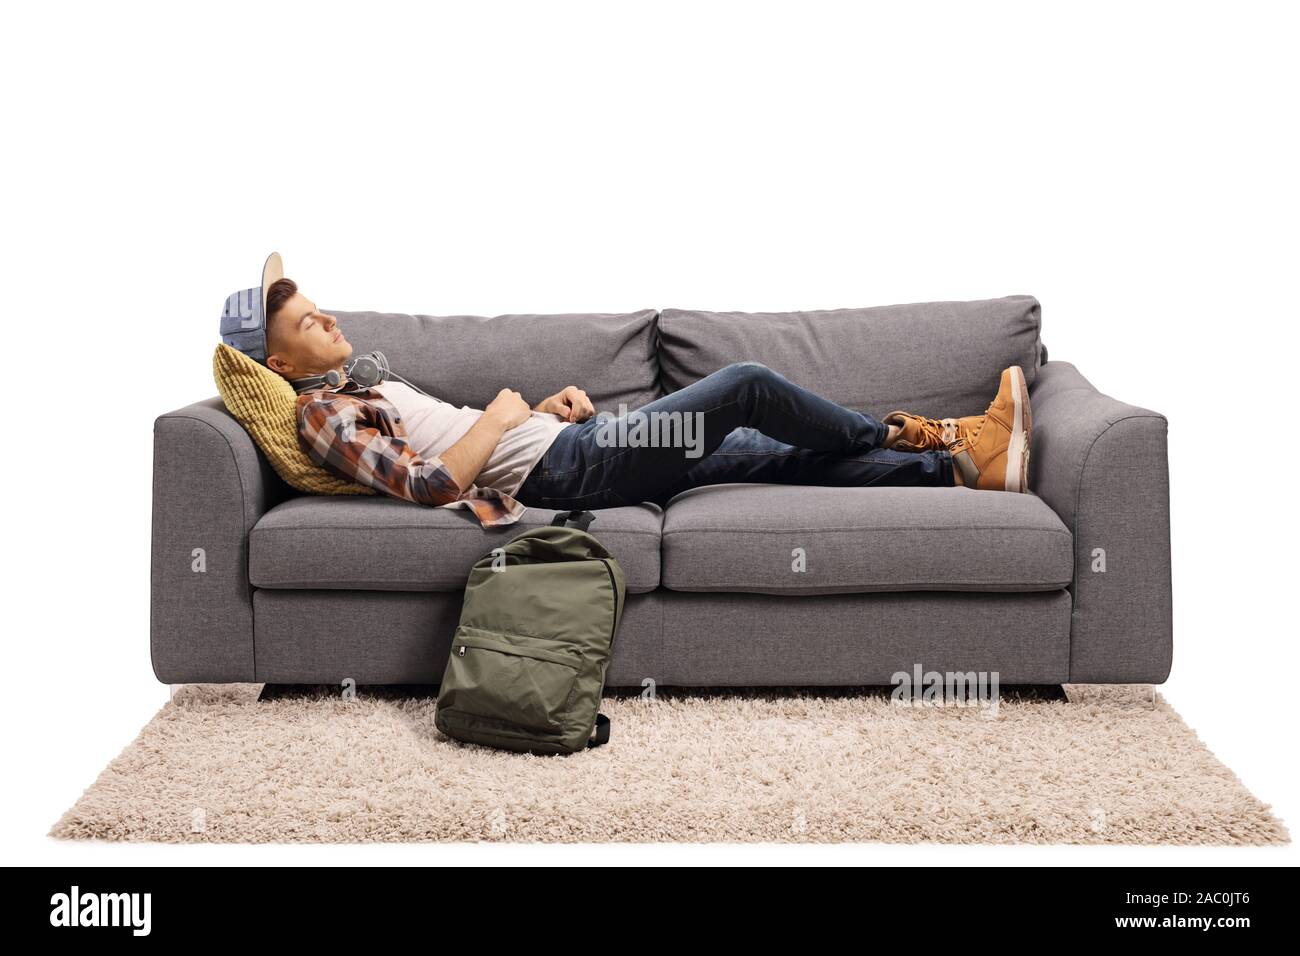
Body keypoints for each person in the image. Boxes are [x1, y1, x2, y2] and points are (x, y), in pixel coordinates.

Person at [220, 254, 1030, 528]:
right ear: (281, 365)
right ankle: (902, 433)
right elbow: (433, 482)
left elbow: (451, 440)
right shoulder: (322, 415)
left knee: (760, 455)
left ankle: (958, 466)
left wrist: (531, 411)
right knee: (744, 388)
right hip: (568, 473)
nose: (327, 319)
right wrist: (507, 416)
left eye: (320, 308)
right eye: (307, 322)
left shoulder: (358, 380)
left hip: (564, 446)